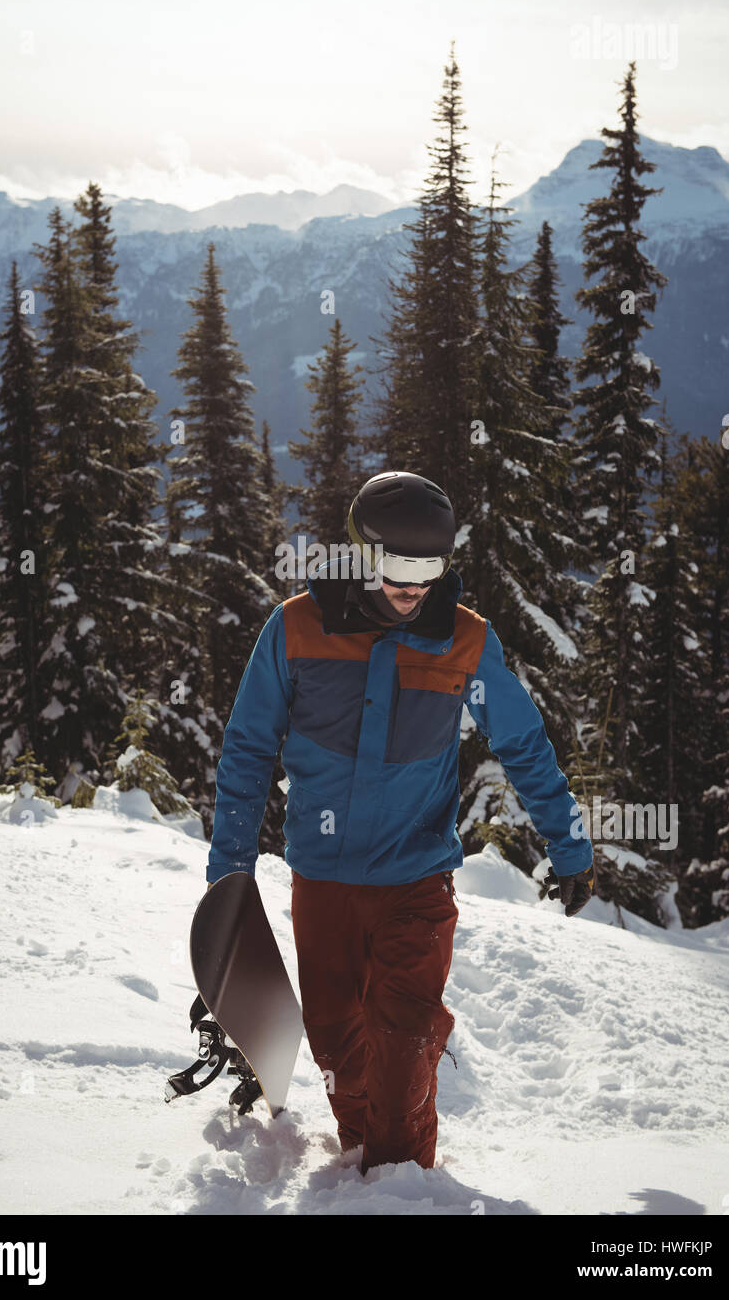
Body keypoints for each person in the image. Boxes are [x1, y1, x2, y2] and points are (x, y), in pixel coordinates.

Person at [206, 470, 596, 1175]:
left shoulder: (462, 640)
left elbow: (522, 743)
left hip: (415, 877)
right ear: (362, 553)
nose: (415, 585)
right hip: (322, 878)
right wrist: (228, 875)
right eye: (398, 566)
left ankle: (401, 1180)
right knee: (334, 1043)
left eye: (431, 567)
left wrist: (568, 845)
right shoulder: (296, 628)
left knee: (403, 1036)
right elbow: (248, 748)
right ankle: (365, 1161)